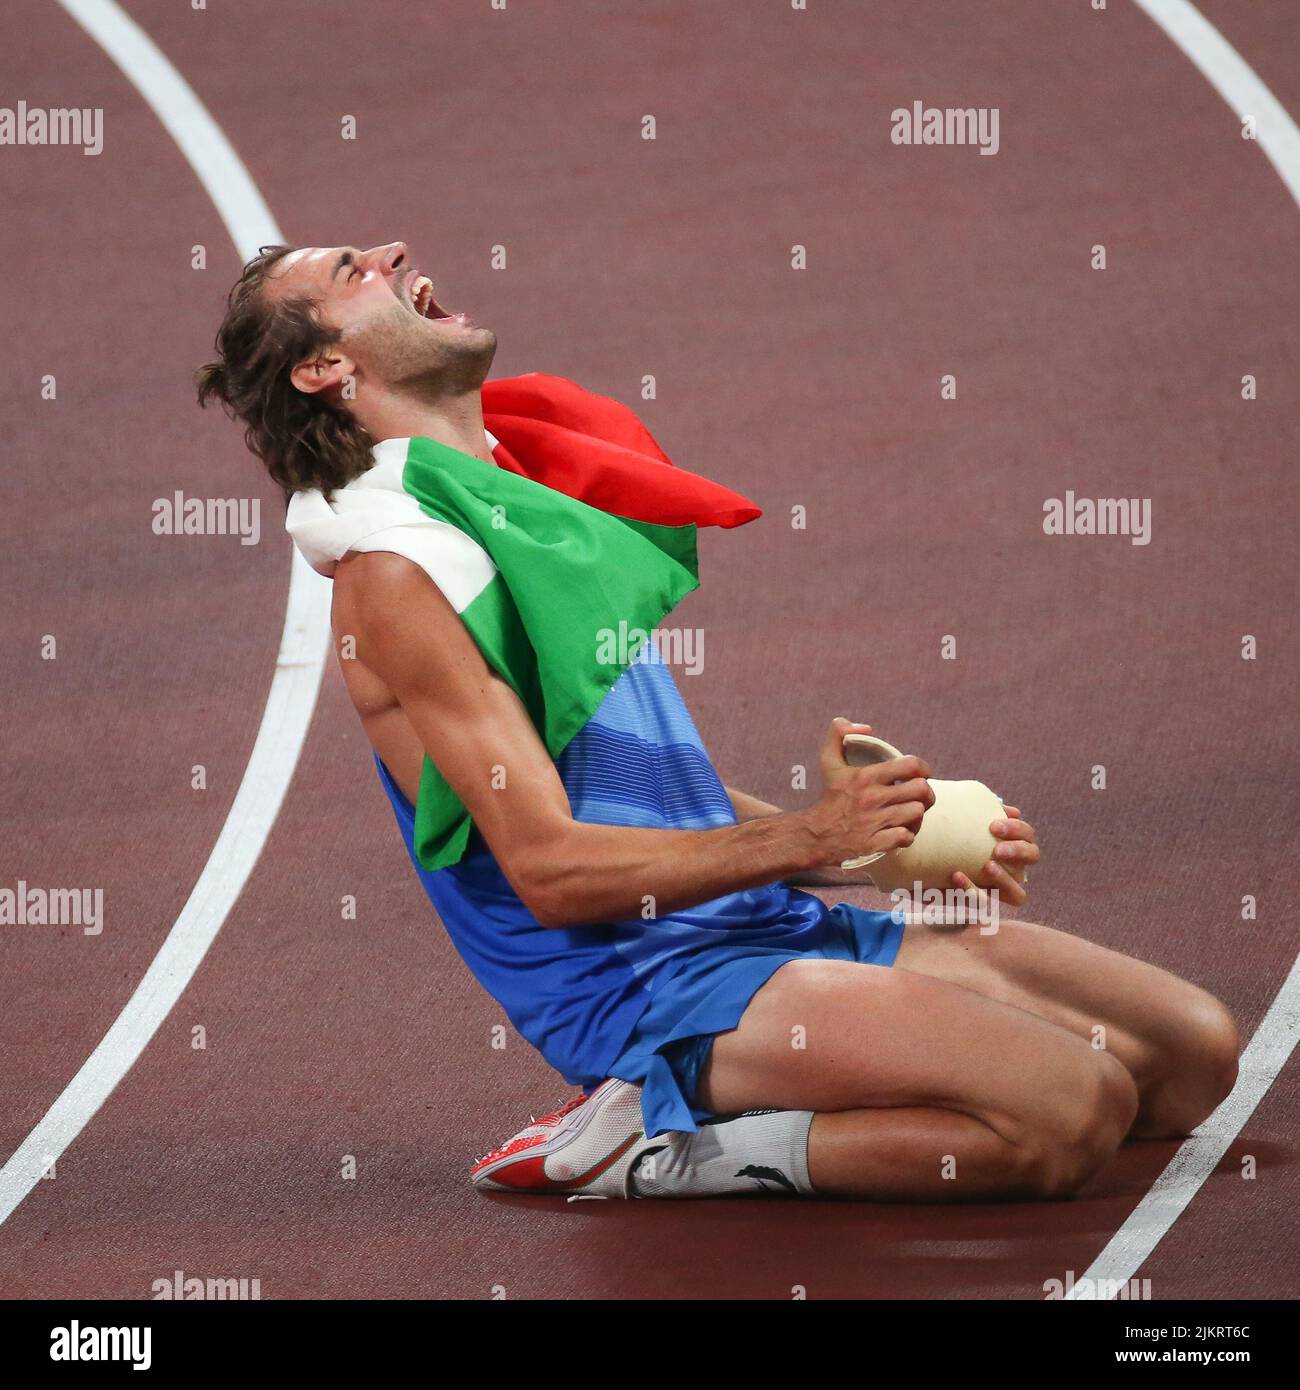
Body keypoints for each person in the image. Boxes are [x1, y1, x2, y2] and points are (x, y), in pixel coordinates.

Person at [196, 241, 1239, 1201]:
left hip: (757, 928)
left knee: (1190, 1057)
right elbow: (549, 871)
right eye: (350, 269)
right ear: (321, 368)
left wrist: (869, 845)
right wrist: (807, 838)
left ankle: (779, 1071)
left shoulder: (510, 504)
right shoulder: (396, 573)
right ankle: (653, 1145)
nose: (390, 253)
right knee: (1067, 1111)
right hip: (646, 983)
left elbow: (649, 796)